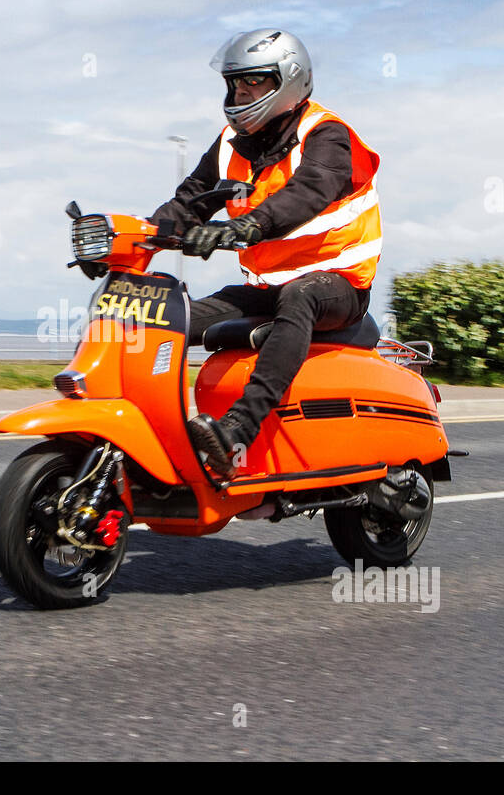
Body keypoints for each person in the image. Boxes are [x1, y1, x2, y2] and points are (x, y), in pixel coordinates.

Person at [149, 28, 382, 478]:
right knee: (170, 316)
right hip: (267, 286)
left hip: (340, 285)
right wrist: (138, 236)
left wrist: (244, 226)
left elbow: (305, 194)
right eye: (235, 83)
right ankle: (157, 431)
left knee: (301, 297)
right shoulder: (231, 143)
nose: (240, 92)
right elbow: (188, 201)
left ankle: (238, 428)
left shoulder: (327, 135)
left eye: (252, 82)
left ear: (287, 81)